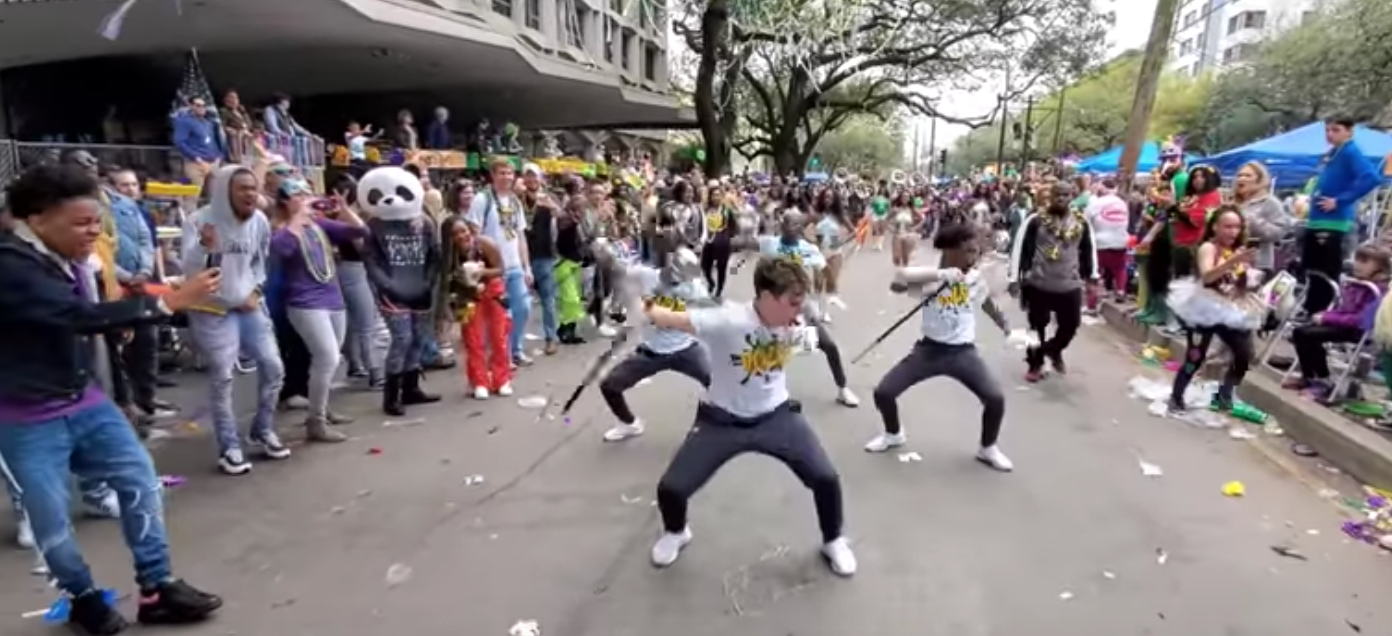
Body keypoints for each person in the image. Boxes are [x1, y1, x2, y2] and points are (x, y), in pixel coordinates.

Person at [0, 164, 224, 633]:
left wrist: (117, 382)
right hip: (25, 415)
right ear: (37, 219)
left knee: (140, 480)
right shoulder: (11, 265)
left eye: (96, 221)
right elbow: (76, 315)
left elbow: (90, 319)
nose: (94, 232)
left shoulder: (69, 256)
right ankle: (82, 598)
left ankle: (157, 588)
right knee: (50, 519)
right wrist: (167, 302)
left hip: (83, 398)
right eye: (82, 222)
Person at [641, 257, 856, 576]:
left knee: (825, 478)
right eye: (792, 302)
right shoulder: (727, 321)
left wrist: (808, 327)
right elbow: (667, 317)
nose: (798, 309)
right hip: (720, 420)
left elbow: (823, 343)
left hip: (776, 416)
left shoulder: (796, 322)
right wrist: (640, 304)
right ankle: (676, 532)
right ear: (767, 297)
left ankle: (833, 540)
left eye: (801, 302)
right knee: (671, 488)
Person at [863, 223, 1016, 471]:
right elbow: (897, 285)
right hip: (929, 351)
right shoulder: (930, 278)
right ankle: (893, 434)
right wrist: (939, 276)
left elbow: (986, 301)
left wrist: (1004, 324)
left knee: (995, 398)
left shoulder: (974, 278)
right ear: (950, 251)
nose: (973, 258)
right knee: (884, 393)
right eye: (968, 251)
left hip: (963, 352)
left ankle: (988, 448)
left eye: (976, 252)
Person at [181, 165, 287, 475]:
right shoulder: (199, 221)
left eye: (253, 188)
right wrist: (204, 246)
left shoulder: (259, 222)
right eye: (242, 188)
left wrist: (255, 291)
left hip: (249, 306)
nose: (250, 194)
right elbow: (190, 271)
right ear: (224, 191)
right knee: (223, 377)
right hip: (212, 311)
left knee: (273, 366)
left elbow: (261, 263)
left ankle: (262, 429)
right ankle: (229, 447)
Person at [269, 178, 368, 440]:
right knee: (327, 358)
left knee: (328, 361)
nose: (306, 199)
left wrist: (345, 210)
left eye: (307, 194)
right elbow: (281, 249)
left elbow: (361, 232)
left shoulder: (319, 225)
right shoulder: (282, 230)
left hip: (333, 300)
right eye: (298, 195)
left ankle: (321, 408)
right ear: (285, 202)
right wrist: (299, 218)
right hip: (305, 303)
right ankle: (316, 421)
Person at [598, 240, 713, 442]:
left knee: (720, 383)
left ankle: (729, 422)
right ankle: (629, 424)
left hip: (686, 349)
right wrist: (606, 254)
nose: (679, 284)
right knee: (609, 385)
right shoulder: (648, 276)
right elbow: (621, 267)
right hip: (652, 351)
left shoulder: (696, 289)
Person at [1166, 206, 1266, 413]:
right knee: (1195, 357)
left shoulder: (1239, 250)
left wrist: (1249, 282)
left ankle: (1224, 394)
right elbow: (1207, 277)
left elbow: (1238, 282)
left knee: (1244, 354)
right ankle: (1176, 397)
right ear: (1215, 227)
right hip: (1203, 308)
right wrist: (1232, 261)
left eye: (1237, 227)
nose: (1233, 232)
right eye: (1227, 226)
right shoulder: (1208, 248)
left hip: (1229, 309)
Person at [757, 210, 860, 407]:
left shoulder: (807, 248)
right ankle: (762, 394)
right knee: (765, 349)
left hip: (801, 305)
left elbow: (823, 269)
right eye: (789, 224)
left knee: (829, 345)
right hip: (774, 306)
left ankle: (842, 389)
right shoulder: (770, 244)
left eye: (797, 225)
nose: (793, 228)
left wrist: (831, 286)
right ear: (782, 225)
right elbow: (751, 255)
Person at [1008, 183, 1099, 382]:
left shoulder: (1081, 222)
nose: (1061, 198)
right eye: (1057, 194)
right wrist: (1014, 278)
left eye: (1065, 195)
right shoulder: (1035, 220)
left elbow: (1089, 249)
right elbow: (1020, 248)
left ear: (1071, 197)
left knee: (1071, 325)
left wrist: (1092, 277)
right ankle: (1034, 364)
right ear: (1051, 196)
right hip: (1039, 283)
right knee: (1036, 327)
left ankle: (1052, 350)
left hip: (1069, 284)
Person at [1286, 244, 1390, 400]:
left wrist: (1328, 318)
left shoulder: (1378, 290)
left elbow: (1362, 320)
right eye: (1357, 259)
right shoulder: (1356, 283)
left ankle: (1323, 382)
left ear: (1380, 267)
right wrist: (1326, 314)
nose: (1358, 265)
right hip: (1343, 324)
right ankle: (1309, 377)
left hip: (1359, 331)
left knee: (1308, 335)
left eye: (1364, 261)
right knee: (1299, 332)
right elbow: (1344, 309)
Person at [1304, 115, 1385, 313]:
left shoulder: (1351, 151)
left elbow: (1371, 178)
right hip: (1317, 220)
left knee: (1326, 272)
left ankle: (1323, 312)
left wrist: (1340, 200)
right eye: (1327, 130)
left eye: (1336, 130)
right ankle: (1311, 309)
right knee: (1312, 270)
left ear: (1349, 131)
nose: (1330, 134)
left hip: (1332, 223)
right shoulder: (1334, 153)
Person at [446, 216, 514, 399]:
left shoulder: (485, 244)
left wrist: (481, 272)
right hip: (466, 296)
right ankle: (479, 381)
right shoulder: (448, 254)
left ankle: (502, 379)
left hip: (493, 291)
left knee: (498, 336)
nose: (461, 236)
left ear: (470, 230)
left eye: (464, 231)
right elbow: (447, 283)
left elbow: (500, 269)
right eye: (455, 234)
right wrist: (463, 281)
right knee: (473, 339)